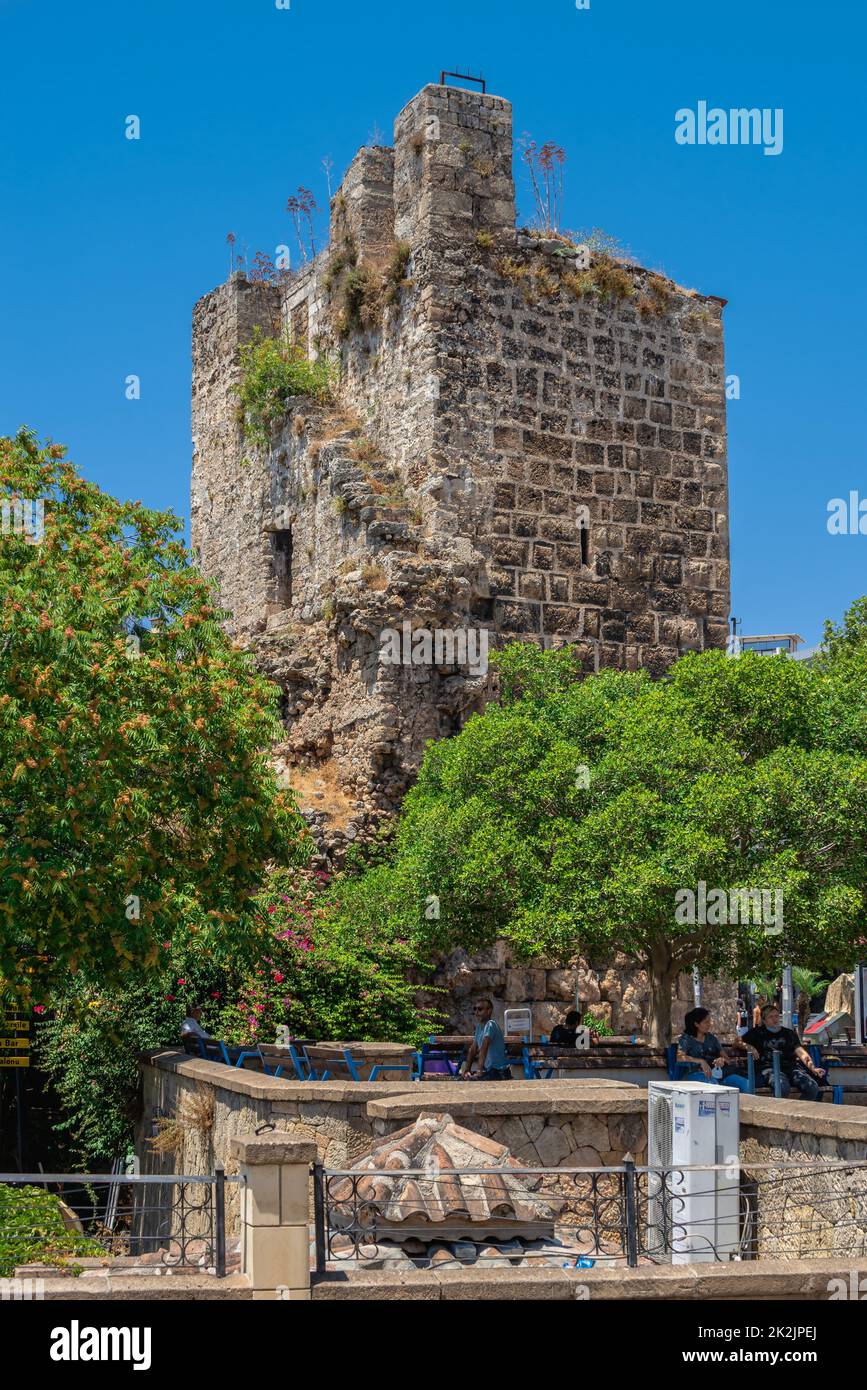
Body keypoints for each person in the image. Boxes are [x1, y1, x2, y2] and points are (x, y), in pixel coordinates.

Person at [743, 1004, 827, 1101]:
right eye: (770, 1017)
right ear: (764, 1020)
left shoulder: (789, 1033)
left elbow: (801, 1052)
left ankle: (798, 1112)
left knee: (812, 1087)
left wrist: (813, 1068)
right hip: (769, 1069)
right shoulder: (756, 1033)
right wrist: (749, 1047)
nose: (774, 1019)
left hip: (791, 1068)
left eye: (776, 1016)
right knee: (782, 1087)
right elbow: (737, 1042)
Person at [677, 1007, 751, 1092]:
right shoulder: (686, 1039)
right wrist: (701, 1061)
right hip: (696, 1074)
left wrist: (722, 1060)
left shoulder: (712, 1038)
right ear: (696, 1024)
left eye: (710, 1021)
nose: (709, 1024)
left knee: (746, 1084)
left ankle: (747, 1105)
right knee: (713, 1085)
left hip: (718, 1074)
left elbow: (728, 1060)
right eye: (706, 1022)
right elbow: (679, 1057)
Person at [462, 1000, 512, 1080]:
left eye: (480, 1009)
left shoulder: (491, 1024)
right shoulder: (479, 1027)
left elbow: (484, 1047)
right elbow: (473, 1049)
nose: (476, 1012)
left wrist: (479, 1071)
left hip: (500, 1071)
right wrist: (467, 1070)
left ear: (489, 1011)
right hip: (490, 1070)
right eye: (475, 1009)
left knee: (475, 1081)